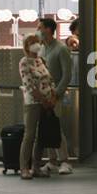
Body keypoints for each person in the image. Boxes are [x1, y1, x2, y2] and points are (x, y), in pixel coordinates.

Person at [16, 32, 56, 180]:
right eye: (32, 42)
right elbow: (29, 84)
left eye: (37, 41)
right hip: (33, 102)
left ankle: (36, 166)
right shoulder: (24, 62)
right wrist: (42, 99)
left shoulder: (41, 60)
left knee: (42, 136)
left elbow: (50, 79)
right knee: (30, 135)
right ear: (26, 46)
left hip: (47, 102)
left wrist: (52, 96)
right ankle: (24, 167)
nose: (36, 44)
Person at [36, 17, 73, 175]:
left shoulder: (61, 49)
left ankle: (65, 161)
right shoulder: (43, 49)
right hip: (44, 95)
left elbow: (67, 74)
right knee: (47, 127)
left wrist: (57, 93)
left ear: (49, 30)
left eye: (41, 27)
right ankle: (52, 161)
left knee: (56, 127)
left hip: (55, 94)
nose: (38, 30)